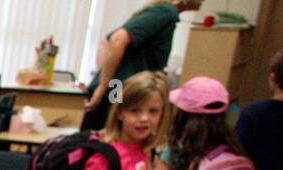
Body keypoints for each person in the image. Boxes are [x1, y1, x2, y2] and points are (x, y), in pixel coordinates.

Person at [83, 1, 202, 132]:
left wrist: (106, 82)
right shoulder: (166, 12)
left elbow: (106, 43)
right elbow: (117, 39)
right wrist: (103, 86)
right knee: (106, 143)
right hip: (120, 91)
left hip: (117, 88)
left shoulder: (164, 13)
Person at [84, 71, 169, 170]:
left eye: (153, 111)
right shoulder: (106, 155)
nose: (144, 118)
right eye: (135, 110)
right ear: (120, 112)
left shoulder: (146, 149)